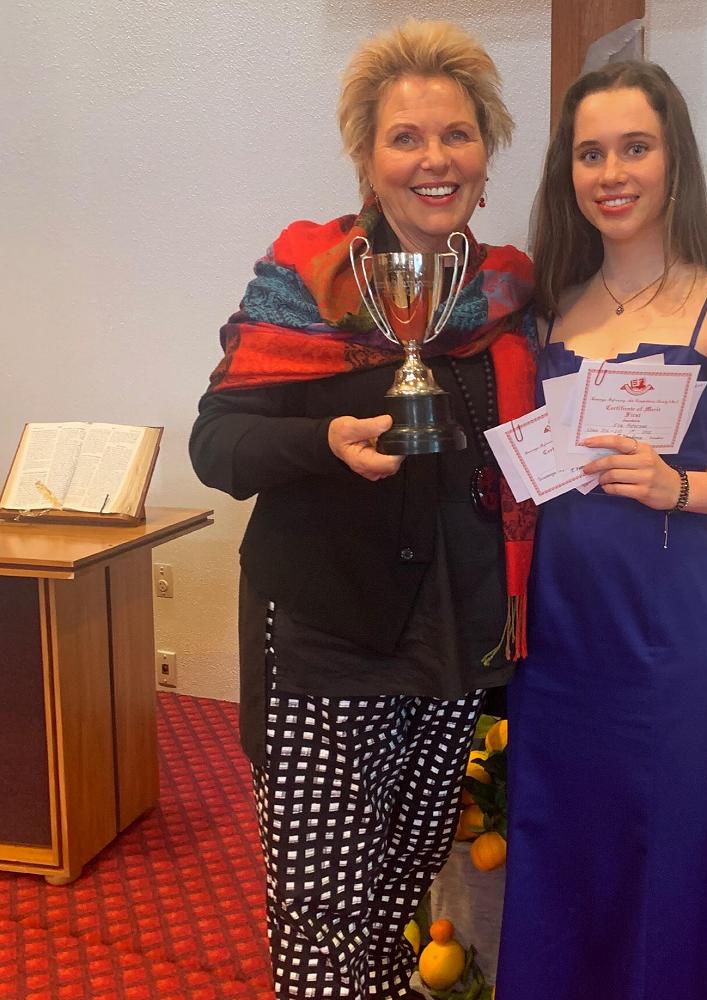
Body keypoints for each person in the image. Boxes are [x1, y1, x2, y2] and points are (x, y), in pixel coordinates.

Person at [189, 21, 539, 1000]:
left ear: (486, 153)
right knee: (321, 915)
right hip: (327, 638)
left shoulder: (508, 291)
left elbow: (544, 439)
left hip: (454, 638)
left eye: (457, 134)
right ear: (367, 159)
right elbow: (215, 444)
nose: (435, 158)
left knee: (396, 893)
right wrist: (323, 443)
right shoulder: (305, 282)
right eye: (405, 137)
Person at [496, 61, 707, 1000]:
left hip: (669, 630)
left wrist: (682, 486)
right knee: (565, 844)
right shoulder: (550, 308)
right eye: (590, 154)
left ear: (674, 158)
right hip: (559, 633)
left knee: (671, 845)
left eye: (634, 148)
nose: (612, 173)